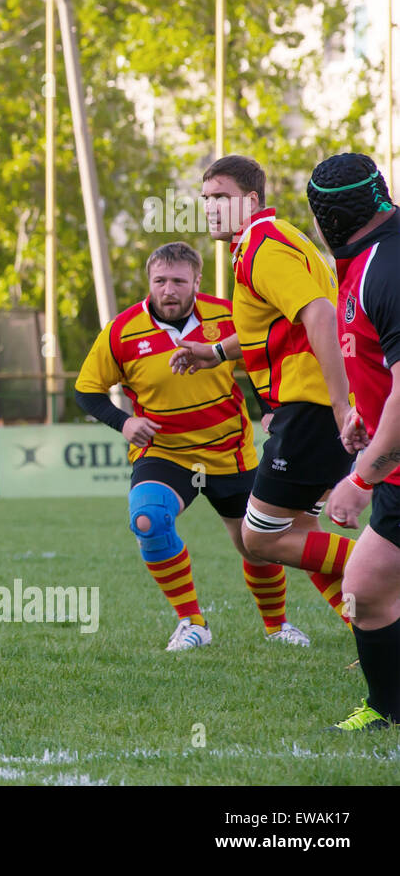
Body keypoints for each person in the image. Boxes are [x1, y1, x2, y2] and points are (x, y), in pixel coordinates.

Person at [75, 242, 308, 650]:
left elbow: (261, 359)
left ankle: (277, 627)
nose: (168, 290)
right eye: (160, 281)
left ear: (196, 282)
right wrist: (125, 422)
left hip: (229, 452)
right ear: (149, 281)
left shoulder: (227, 315)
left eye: (178, 281)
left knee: (257, 544)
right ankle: (192, 622)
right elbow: (86, 390)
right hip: (166, 454)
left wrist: (270, 407)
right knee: (147, 519)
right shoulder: (122, 330)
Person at [171, 155, 356, 630]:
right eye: (207, 198)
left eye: (222, 198)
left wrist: (338, 407)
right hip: (311, 405)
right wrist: (216, 352)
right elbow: (276, 325)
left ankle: (382, 570)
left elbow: (319, 314)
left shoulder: (263, 249)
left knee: (259, 539)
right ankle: (368, 623)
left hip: (311, 409)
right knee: (298, 529)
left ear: (251, 200)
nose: (211, 208)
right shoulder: (280, 236)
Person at [309, 153, 400, 730]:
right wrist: (363, 415)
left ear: (333, 216)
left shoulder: (387, 267)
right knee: (365, 589)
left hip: (387, 470)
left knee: (365, 585)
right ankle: (387, 711)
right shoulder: (363, 261)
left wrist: (359, 479)